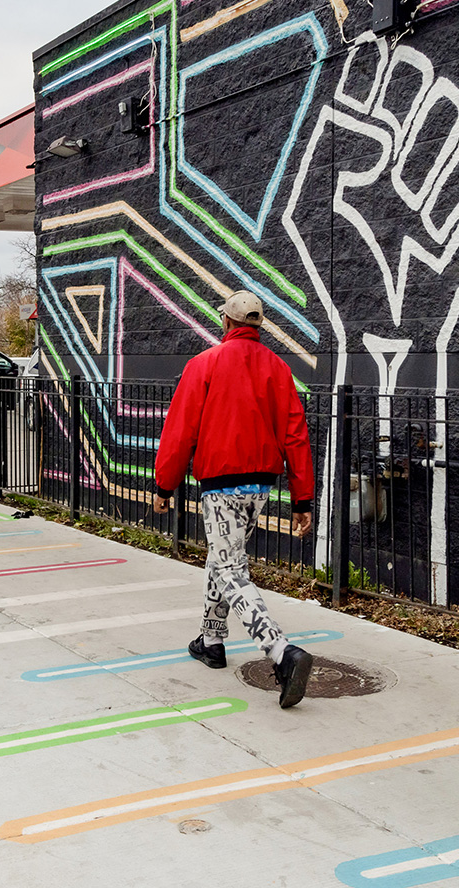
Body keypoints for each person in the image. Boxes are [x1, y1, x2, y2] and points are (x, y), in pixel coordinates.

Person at [153, 290, 317, 708]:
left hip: (220, 482)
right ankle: (211, 640)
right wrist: (302, 499)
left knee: (228, 568)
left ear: (225, 321)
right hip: (261, 484)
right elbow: (296, 435)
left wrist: (164, 485)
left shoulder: (204, 365)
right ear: (258, 325)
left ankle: (281, 651)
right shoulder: (278, 369)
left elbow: (180, 429)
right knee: (223, 558)